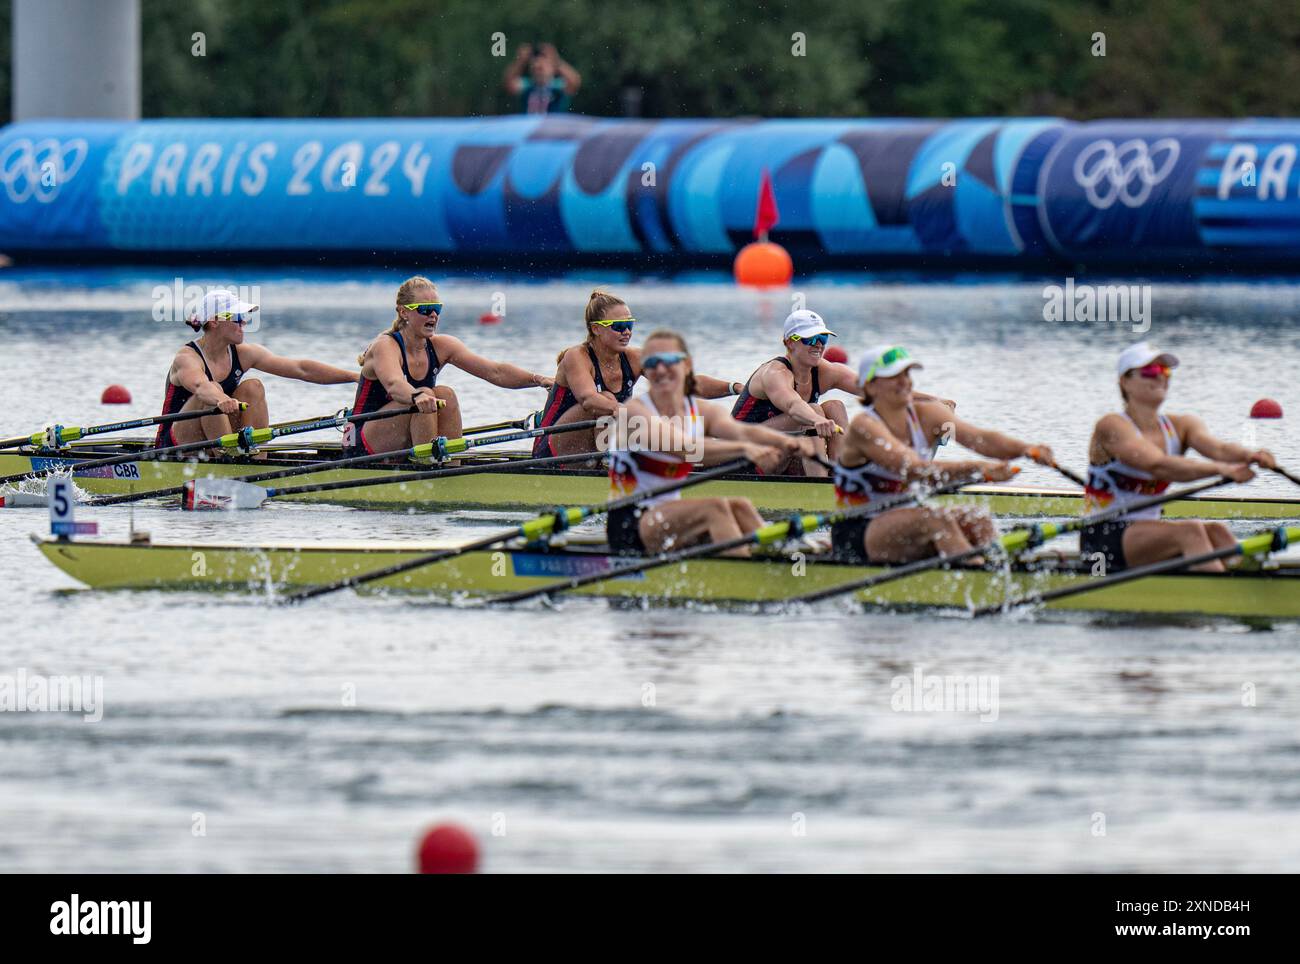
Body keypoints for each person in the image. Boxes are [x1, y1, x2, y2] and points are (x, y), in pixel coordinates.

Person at [831, 345, 1054, 564]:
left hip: (905, 521)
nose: (904, 381)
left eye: (906, 374)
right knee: (937, 520)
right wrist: (979, 469)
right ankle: (975, 577)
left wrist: (1025, 449)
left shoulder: (928, 415)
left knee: (976, 518)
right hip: (858, 531)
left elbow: (980, 439)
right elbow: (914, 469)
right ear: (869, 387)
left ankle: (997, 571)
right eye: (893, 376)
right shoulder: (865, 426)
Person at [604, 330, 813, 557]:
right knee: (715, 508)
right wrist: (746, 450)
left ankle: (778, 559)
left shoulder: (701, 411)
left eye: (669, 361)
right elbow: (687, 449)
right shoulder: (635, 412)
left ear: (687, 365)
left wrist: (787, 442)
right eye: (652, 363)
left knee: (739, 505)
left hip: (666, 518)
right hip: (631, 522)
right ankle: (744, 578)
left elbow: (743, 431)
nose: (660, 369)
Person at [1081, 342, 1271, 573]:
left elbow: (1219, 449)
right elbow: (1158, 466)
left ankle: (1250, 578)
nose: (1160, 378)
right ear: (1125, 381)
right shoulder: (1111, 426)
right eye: (1150, 371)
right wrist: (1223, 470)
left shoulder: (1181, 426)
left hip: (1147, 533)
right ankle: (1223, 596)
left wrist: (1251, 455)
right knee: (1190, 531)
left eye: (1165, 372)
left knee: (1216, 530)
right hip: (1102, 540)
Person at [348, 277, 552, 456]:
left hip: (399, 435)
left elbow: (495, 372)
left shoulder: (442, 346)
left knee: (446, 394)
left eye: (437, 309)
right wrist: (417, 396)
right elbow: (394, 384)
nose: (433, 316)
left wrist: (538, 379)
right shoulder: (386, 346)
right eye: (425, 310)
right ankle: (428, 466)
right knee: (426, 392)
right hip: (360, 441)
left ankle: (450, 465)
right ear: (403, 312)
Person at [532, 290, 744, 461]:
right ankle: (612, 463)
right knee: (605, 398)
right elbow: (589, 400)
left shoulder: (635, 358)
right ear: (596, 329)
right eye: (619, 326)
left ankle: (708, 457)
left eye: (630, 325)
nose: (627, 332)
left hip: (593, 448)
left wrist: (734, 387)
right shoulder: (576, 356)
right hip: (550, 451)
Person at [157, 289, 359, 452]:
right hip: (177, 444)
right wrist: (220, 398)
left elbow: (301, 369)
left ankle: (254, 457)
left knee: (254, 387)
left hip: (215, 438)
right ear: (215, 321)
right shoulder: (186, 358)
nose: (243, 323)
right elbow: (201, 386)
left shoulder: (244, 353)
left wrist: (354, 377)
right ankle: (229, 458)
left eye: (243, 317)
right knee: (211, 390)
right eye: (236, 317)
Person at [503, 43, 581, 114]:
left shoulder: (557, 86)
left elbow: (575, 82)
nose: (538, 72)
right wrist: (520, 61)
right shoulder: (527, 86)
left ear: (553, 69)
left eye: (541, 68)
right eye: (535, 68)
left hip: (553, 127)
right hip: (530, 128)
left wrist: (556, 60)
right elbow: (508, 83)